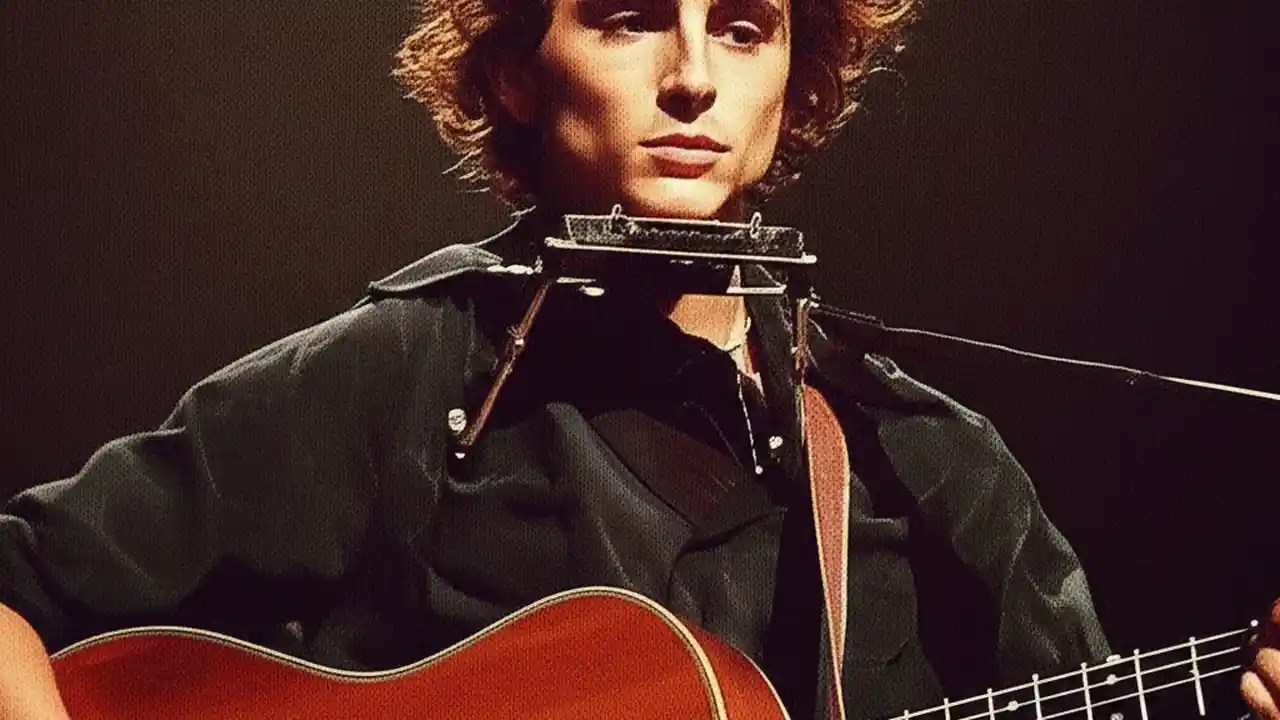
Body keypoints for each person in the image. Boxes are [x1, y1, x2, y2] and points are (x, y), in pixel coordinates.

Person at [1, 0, 1277, 717]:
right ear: (512, 72)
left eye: (740, 28)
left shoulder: (922, 461)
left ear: (797, 72)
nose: (688, 81)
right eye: (625, 20)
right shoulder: (403, 376)